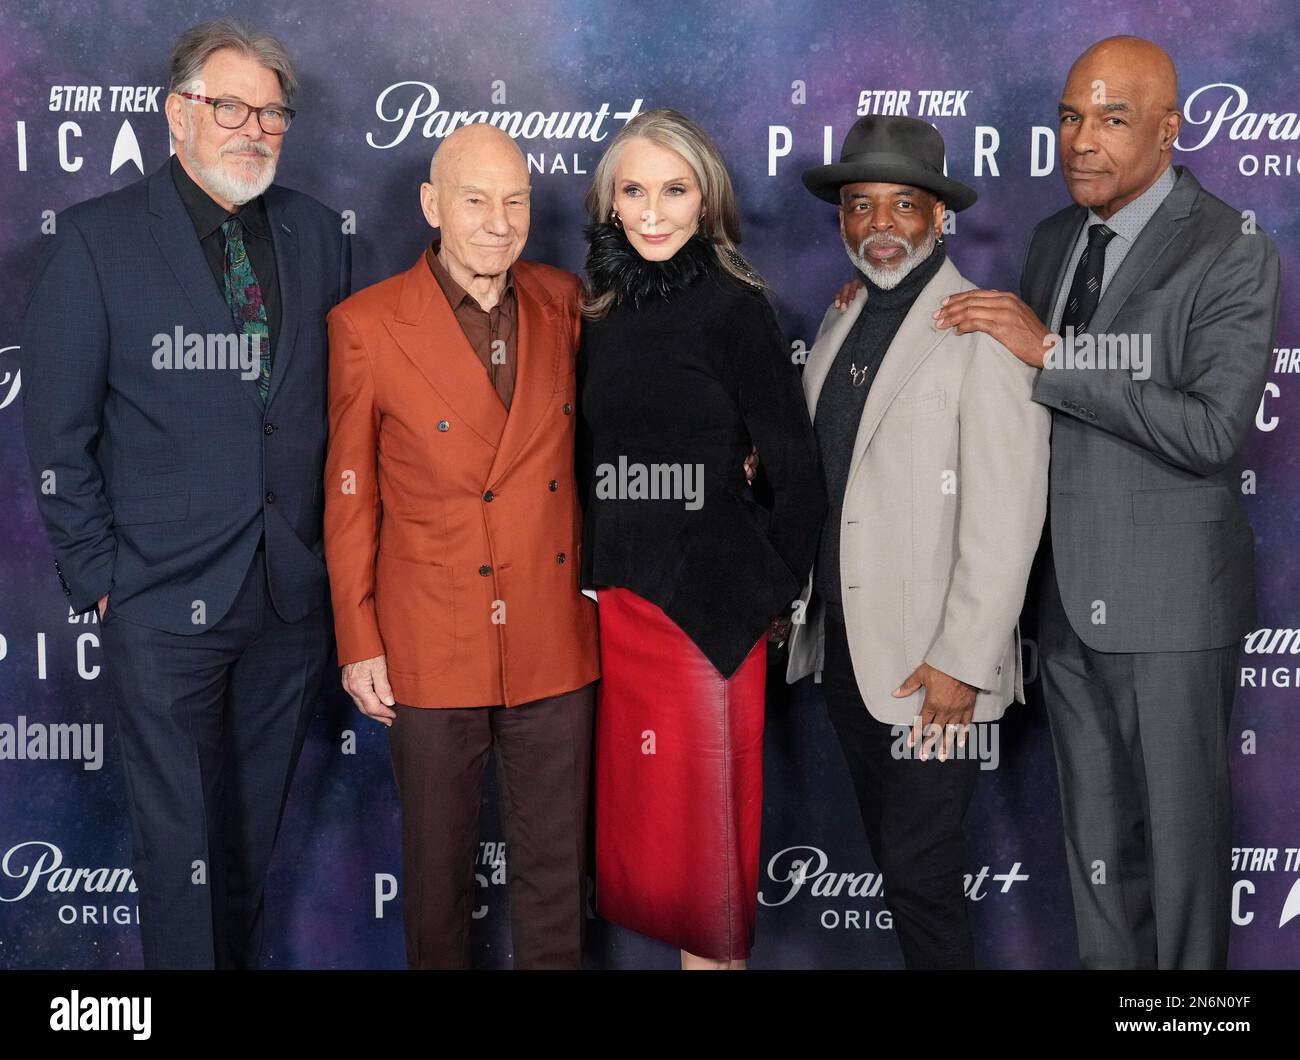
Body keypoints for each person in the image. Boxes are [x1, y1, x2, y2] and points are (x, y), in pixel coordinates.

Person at [934, 36, 1280, 969]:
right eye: (1069, 116)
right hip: (1063, 607)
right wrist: (876, 302)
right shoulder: (1055, 237)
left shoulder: (1231, 248)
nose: (1081, 140)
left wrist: (1054, 354)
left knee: (1182, 863)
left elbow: (1211, 430)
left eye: (1112, 120)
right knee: (1098, 862)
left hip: (1169, 608)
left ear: (1169, 132)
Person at [20, 18, 350, 968]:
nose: (254, 127)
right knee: (179, 856)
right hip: (160, 602)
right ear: (177, 114)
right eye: (230, 106)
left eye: (273, 112)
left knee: (246, 853)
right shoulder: (96, 242)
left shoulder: (320, 233)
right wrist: (102, 578)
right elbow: (59, 432)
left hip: (288, 596)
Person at [324, 123, 599, 970]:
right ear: (431, 205)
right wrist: (358, 637)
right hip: (428, 637)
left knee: (557, 875)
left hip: (552, 636)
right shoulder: (366, 324)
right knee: (437, 879)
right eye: (475, 200)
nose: (498, 220)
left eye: (516, 200)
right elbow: (348, 494)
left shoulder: (565, 301)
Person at [788, 115, 1050, 969]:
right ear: (841, 221)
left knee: (921, 873)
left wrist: (964, 662)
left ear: (940, 217)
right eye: (861, 206)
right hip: (849, 658)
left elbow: (1008, 514)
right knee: (904, 872)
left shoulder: (984, 331)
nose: (880, 224)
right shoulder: (841, 322)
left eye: (905, 205)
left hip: (934, 672)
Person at [577, 108, 826, 970]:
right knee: (658, 871)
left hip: (708, 620)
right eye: (635, 191)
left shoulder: (735, 307)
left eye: (674, 190)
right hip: (622, 613)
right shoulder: (598, 310)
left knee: (708, 882)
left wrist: (771, 594)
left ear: (706, 200)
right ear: (609, 202)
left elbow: (796, 472)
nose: (653, 211)